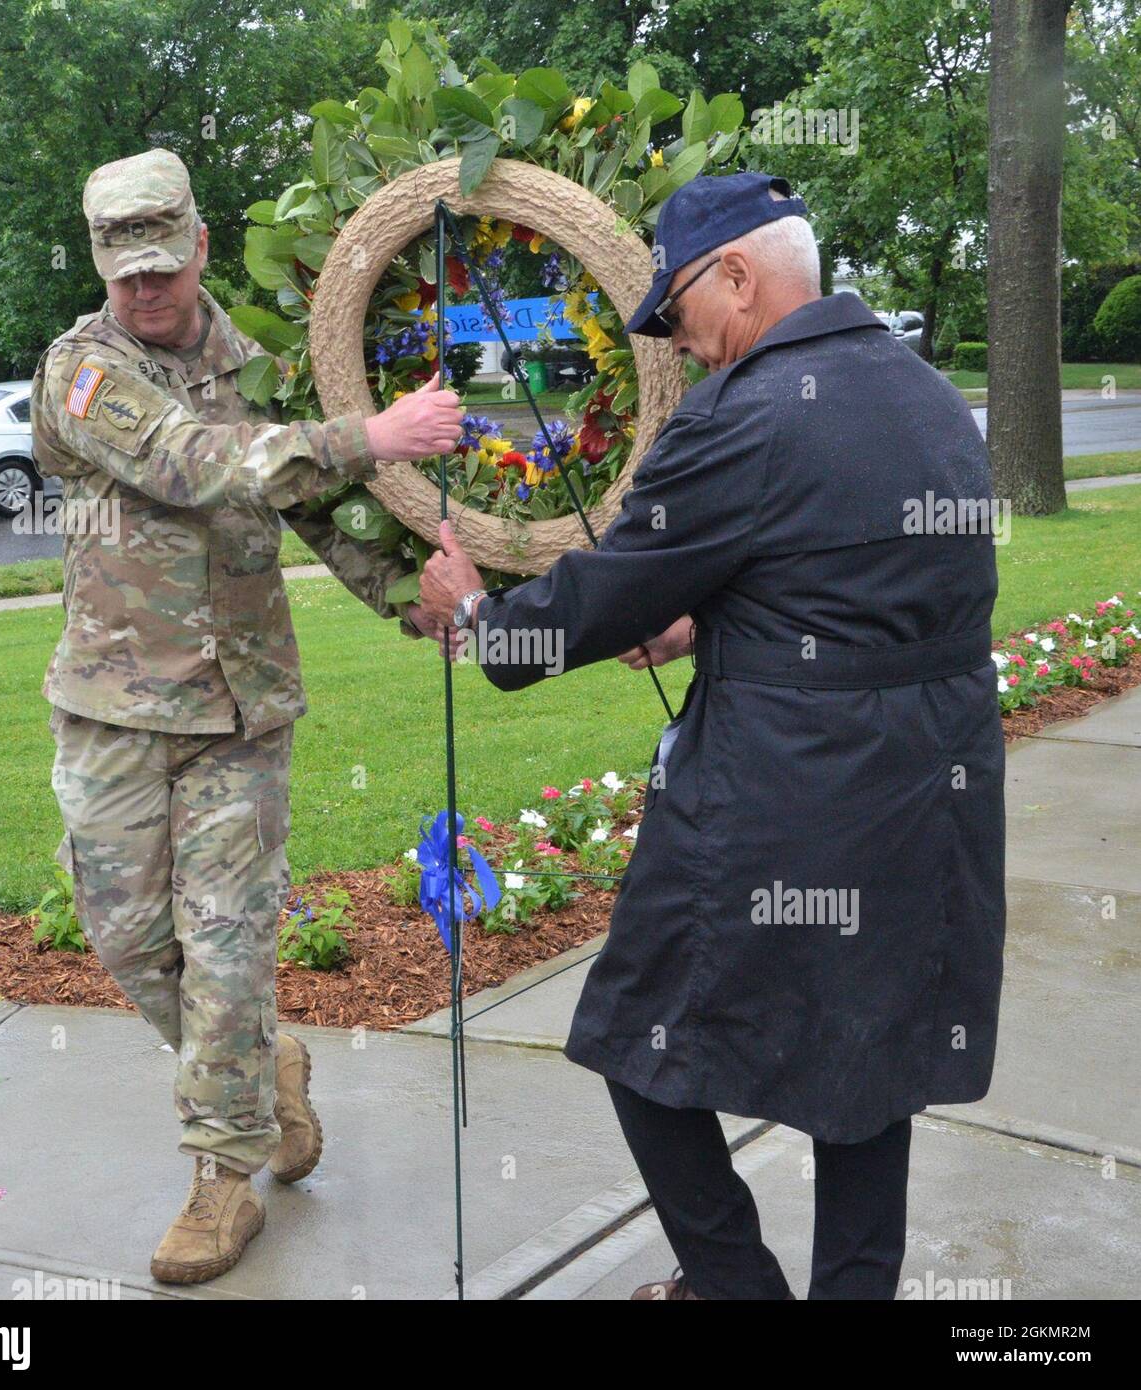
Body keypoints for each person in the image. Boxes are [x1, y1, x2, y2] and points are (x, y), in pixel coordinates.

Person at [420, 172, 1005, 1300]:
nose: (680, 347)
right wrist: (712, 620)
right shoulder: (926, 393)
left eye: (678, 313)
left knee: (634, 1038)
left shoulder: (744, 416)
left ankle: (733, 1286)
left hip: (789, 801)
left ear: (735, 274)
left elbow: (592, 601)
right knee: (869, 1069)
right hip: (932, 798)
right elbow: (859, 589)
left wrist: (483, 616)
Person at [31, 147, 463, 1285]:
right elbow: (188, 464)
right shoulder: (79, 373)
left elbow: (322, 513)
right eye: (125, 274)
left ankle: (223, 1179)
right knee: (128, 939)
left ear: (203, 245)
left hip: (240, 709)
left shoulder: (262, 367)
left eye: (162, 268)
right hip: (111, 710)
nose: (146, 291)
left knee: (225, 947)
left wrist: (413, 599)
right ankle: (269, 1069)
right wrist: (369, 433)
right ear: (98, 267)